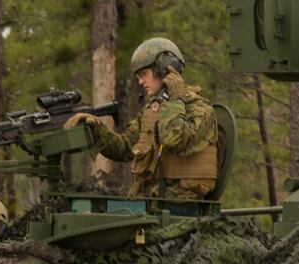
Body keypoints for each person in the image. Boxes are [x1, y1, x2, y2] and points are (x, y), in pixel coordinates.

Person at [64, 38, 218, 200]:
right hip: (147, 203)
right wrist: (96, 129)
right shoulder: (153, 110)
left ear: (166, 70)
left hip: (179, 207)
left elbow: (174, 140)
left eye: (144, 74)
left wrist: (175, 98)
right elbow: (124, 148)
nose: (140, 81)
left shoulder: (200, 108)